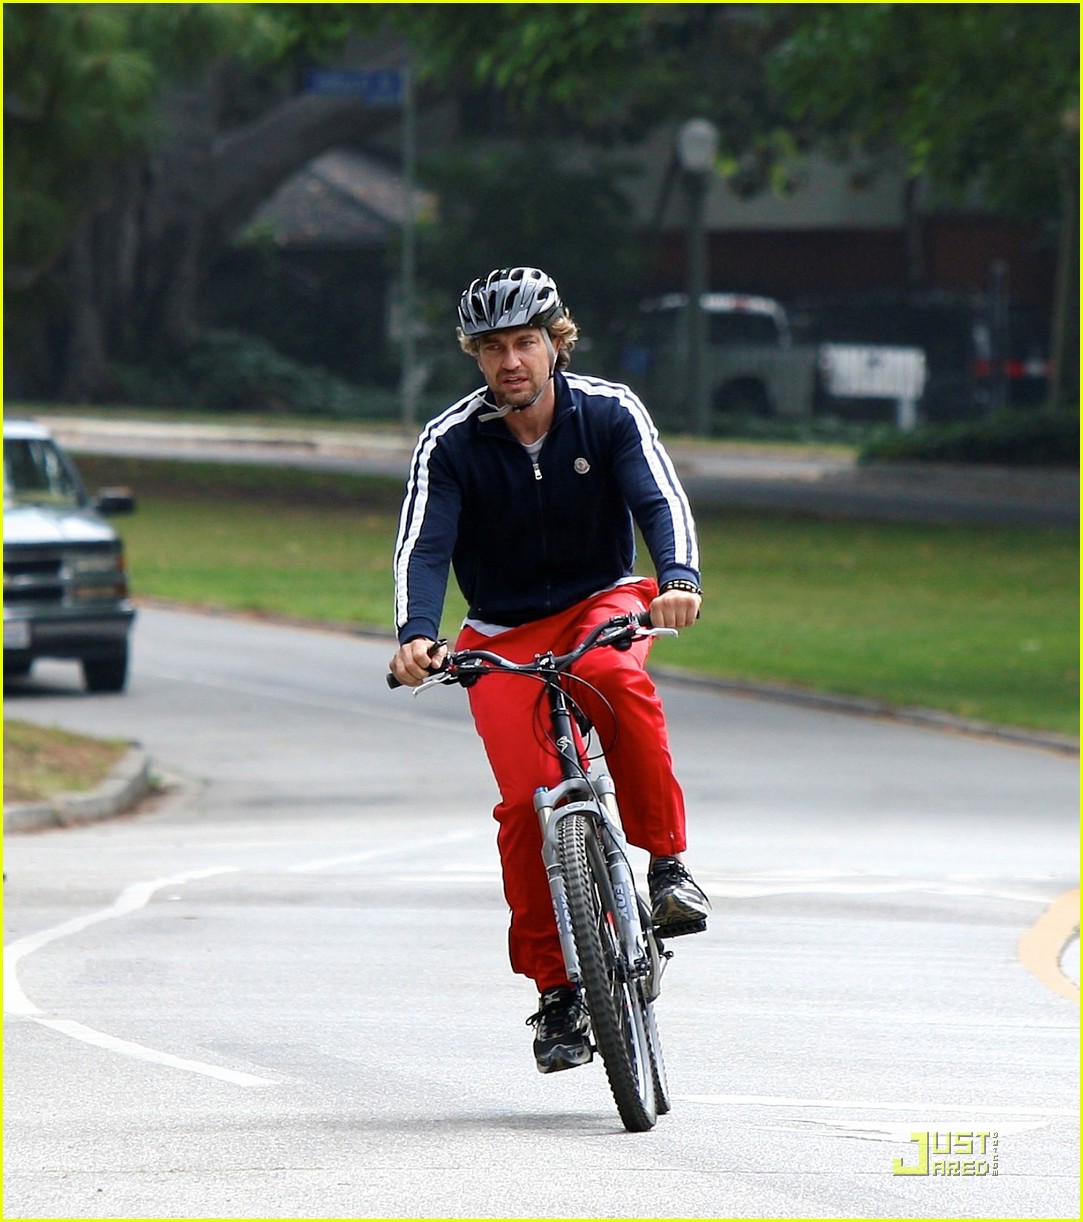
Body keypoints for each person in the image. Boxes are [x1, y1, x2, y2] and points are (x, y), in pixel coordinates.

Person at [389, 266, 710, 1074]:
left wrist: (676, 579)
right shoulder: (450, 441)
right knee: (523, 808)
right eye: (492, 348)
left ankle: (667, 865)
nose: (510, 362)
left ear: (554, 342)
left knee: (622, 683)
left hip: (601, 602)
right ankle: (559, 994)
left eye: (525, 342)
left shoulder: (607, 411)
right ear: (474, 356)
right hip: (498, 634)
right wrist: (416, 636)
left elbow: (657, 500)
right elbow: (424, 547)